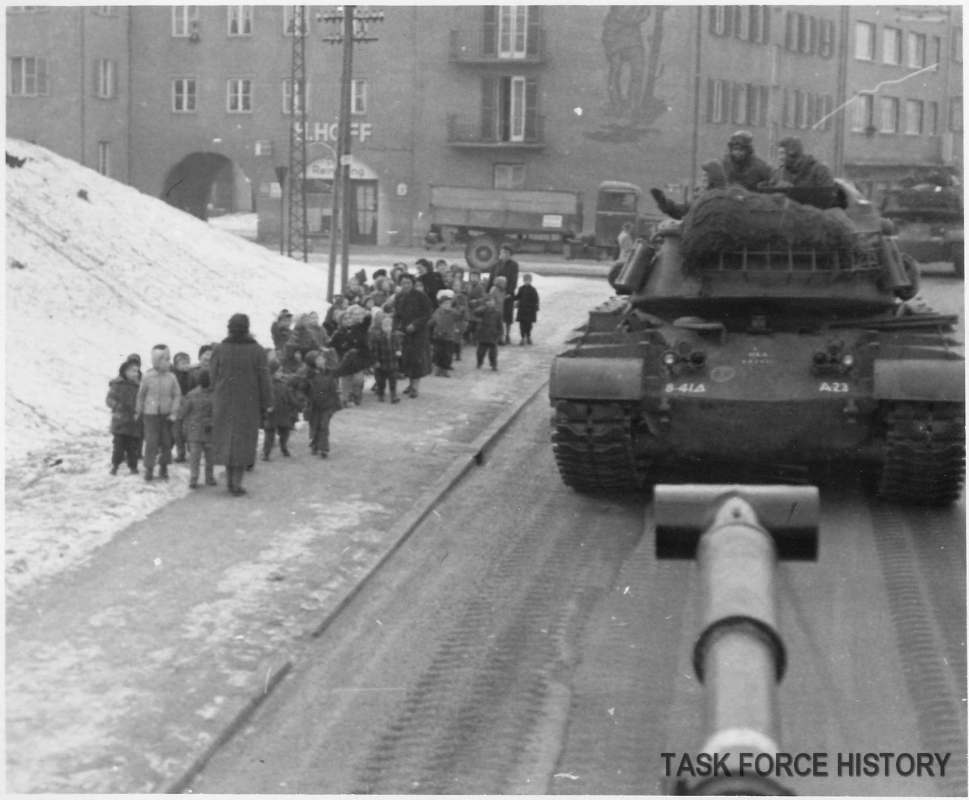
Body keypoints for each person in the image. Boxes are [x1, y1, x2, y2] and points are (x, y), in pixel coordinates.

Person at [210, 313, 273, 496]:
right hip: (248, 402)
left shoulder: (220, 349)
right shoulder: (257, 350)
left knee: (227, 439)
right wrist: (267, 402)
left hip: (224, 401)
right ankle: (236, 483)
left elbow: (213, 376)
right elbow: (264, 378)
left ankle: (229, 481)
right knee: (243, 441)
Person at [135, 344, 181, 482]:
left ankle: (164, 467)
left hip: (166, 415)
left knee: (166, 442)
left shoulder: (171, 377)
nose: (169, 362)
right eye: (165, 359)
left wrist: (174, 411)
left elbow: (177, 394)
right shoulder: (148, 377)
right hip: (150, 415)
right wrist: (139, 410)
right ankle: (149, 468)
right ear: (156, 361)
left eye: (169, 359)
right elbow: (141, 395)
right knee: (151, 442)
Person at [394, 273, 433, 398]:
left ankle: (415, 387)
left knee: (417, 359)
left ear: (413, 283)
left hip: (419, 333)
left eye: (408, 283)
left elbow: (427, 314)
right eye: (403, 283)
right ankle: (410, 384)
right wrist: (396, 328)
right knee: (407, 359)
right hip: (405, 333)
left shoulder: (421, 297)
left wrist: (415, 325)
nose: (405, 285)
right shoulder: (399, 297)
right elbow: (397, 315)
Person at [649, 160, 728, 220]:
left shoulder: (722, 197)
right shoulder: (699, 195)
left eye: (706, 175)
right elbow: (684, 211)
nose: (703, 178)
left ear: (714, 177)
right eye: (702, 175)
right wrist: (666, 204)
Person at [177, 369, 216, 488]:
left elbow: (183, 412)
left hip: (196, 430)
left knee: (196, 457)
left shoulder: (191, 394)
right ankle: (208, 478)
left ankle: (194, 479)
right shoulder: (214, 394)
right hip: (207, 430)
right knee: (208, 457)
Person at [106, 357, 142, 475]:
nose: (136, 373)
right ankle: (115, 465)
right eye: (133, 371)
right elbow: (109, 399)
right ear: (125, 372)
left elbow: (142, 401)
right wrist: (117, 406)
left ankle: (133, 467)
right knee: (118, 447)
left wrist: (139, 411)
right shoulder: (117, 385)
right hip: (120, 422)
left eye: (137, 371)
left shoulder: (139, 387)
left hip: (133, 423)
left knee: (133, 447)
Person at [305, 349, 342, 458]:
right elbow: (304, 389)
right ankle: (315, 444)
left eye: (322, 358)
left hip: (328, 404)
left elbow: (334, 386)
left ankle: (324, 448)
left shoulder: (329, 372)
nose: (322, 360)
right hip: (314, 406)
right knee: (315, 425)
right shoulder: (309, 375)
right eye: (319, 359)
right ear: (313, 362)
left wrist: (337, 399)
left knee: (324, 425)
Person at [262, 359, 300, 460]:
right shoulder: (266, 385)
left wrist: (298, 405)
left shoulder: (284, 385)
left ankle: (284, 448)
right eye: (278, 371)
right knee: (269, 436)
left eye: (281, 371)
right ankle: (266, 453)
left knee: (285, 433)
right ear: (272, 371)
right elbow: (263, 398)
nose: (280, 373)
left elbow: (290, 398)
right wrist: (265, 408)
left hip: (283, 413)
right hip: (271, 414)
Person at [769, 136, 835, 189]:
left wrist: (794, 191)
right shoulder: (779, 174)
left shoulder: (820, 171)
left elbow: (827, 197)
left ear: (793, 154)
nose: (779, 158)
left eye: (782, 153)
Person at [369, 306, 403, 403]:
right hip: (381, 363)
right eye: (385, 326)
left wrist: (399, 351)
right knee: (381, 382)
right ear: (382, 327)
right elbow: (375, 351)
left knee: (393, 381)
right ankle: (381, 394)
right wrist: (375, 361)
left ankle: (394, 396)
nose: (387, 328)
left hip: (392, 362)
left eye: (389, 326)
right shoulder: (378, 337)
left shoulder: (395, 336)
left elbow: (398, 346)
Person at [487, 244, 519, 344]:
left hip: (507, 292)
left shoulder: (514, 265)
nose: (504, 255)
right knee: (496, 315)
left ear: (510, 255)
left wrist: (509, 292)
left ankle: (507, 335)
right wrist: (487, 292)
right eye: (502, 252)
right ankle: (498, 336)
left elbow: (514, 280)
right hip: (496, 293)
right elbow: (491, 278)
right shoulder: (495, 265)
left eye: (507, 253)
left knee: (508, 315)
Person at [429, 290, 460, 377]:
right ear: (440, 304)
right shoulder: (437, 312)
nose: (447, 305)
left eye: (448, 303)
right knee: (438, 353)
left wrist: (458, 307)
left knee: (447, 354)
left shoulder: (453, 313)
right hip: (438, 336)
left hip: (449, 337)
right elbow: (432, 322)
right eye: (445, 303)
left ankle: (445, 369)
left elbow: (460, 316)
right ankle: (439, 369)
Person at [172, 351, 193, 463]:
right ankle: (181, 453)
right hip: (176, 408)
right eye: (182, 363)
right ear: (176, 365)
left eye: (187, 362)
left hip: (189, 407)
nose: (186, 365)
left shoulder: (192, 375)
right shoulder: (172, 376)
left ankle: (192, 452)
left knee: (189, 431)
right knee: (177, 433)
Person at [474, 295, 503, 371]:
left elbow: (500, 324)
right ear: (486, 302)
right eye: (488, 301)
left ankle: (493, 365)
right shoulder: (483, 311)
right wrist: (483, 307)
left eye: (492, 301)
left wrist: (500, 334)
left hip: (493, 335)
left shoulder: (498, 312)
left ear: (494, 302)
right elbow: (476, 312)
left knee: (493, 353)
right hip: (483, 335)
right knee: (480, 352)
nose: (490, 303)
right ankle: (479, 363)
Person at [514, 273, 540, 345]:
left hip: (530, 311)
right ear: (523, 280)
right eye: (525, 280)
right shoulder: (521, 288)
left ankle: (528, 336)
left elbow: (536, 299)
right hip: (522, 310)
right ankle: (522, 337)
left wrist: (536, 307)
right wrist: (512, 297)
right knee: (522, 325)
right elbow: (517, 297)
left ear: (531, 281)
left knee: (529, 325)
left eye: (528, 280)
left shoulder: (533, 290)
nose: (527, 281)